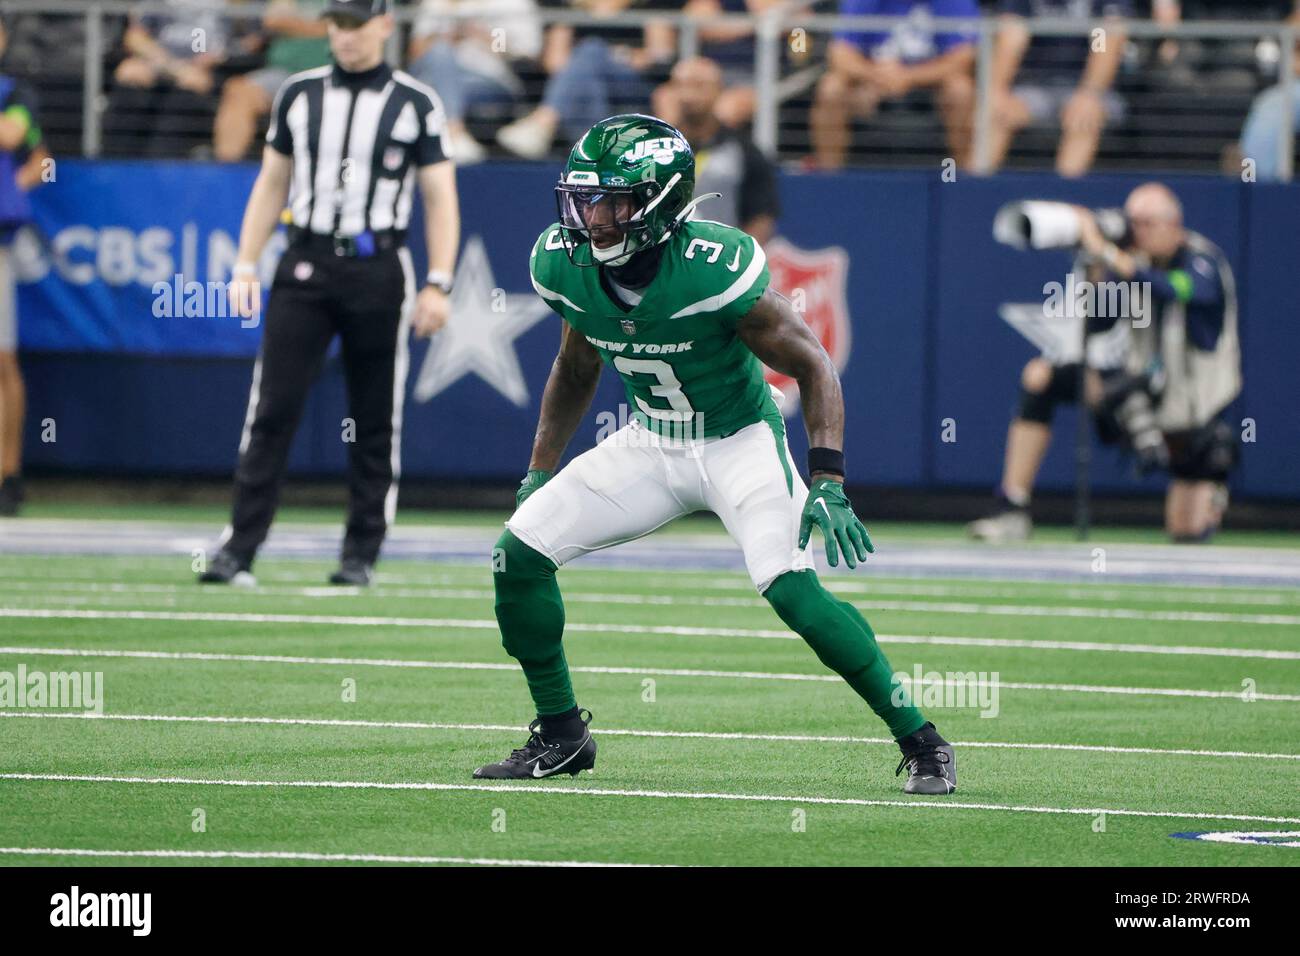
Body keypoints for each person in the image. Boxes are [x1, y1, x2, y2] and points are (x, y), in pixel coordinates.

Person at [474, 114, 956, 794]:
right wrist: (538, 470)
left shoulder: (713, 267)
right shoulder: (563, 262)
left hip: (738, 440)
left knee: (792, 589)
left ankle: (923, 740)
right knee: (515, 556)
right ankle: (561, 734)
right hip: (651, 441)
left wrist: (829, 477)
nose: (592, 217)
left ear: (661, 204)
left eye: (613, 200)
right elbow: (576, 366)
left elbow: (815, 363)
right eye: (585, 198)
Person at [200, 0, 459, 586]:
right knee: (272, 409)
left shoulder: (415, 101)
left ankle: (360, 554)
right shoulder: (298, 93)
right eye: (337, 23)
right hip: (306, 262)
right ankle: (238, 548)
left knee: (374, 418)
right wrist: (245, 262)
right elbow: (272, 181)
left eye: (357, 23)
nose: (345, 35)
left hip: (378, 267)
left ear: (385, 26)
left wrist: (440, 281)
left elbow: (440, 195)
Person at [970, 183, 1240, 543]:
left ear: (1172, 223)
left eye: (1145, 223)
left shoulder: (1203, 259)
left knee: (1187, 532)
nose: (1135, 231)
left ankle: (1212, 491)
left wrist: (1110, 254)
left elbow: (1174, 290)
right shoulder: (1131, 262)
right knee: (1040, 378)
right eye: (1132, 222)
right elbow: (1099, 323)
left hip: (1195, 414)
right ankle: (1012, 507)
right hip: (1140, 393)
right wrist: (1097, 271)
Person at [494, 0, 677, 158]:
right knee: (589, 81)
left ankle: (544, 121)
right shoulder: (573, 8)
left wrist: (615, 56)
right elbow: (555, 62)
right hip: (587, 85)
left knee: (592, 49)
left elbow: (659, 55)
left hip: (633, 85)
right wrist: (585, 65)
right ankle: (595, 155)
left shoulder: (646, 6)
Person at [810, 0, 978, 170]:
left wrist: (909, 77)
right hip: (873, 84)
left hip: (932, 86)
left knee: (960, 89)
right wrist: (874, 75)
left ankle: (964, 181)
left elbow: (963, 59)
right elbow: (840, 55)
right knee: (831, 87)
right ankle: (828, 178)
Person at [987, 0, 1131, 177]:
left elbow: (1104, 39)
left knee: (1084, 118)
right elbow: (1013, 36)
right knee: (997, 113)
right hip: (1035, 86)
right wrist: (996, 92)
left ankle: (1063, 197)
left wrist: (1089, 93)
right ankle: (975, 192)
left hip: (1090, 88)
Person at [0, 16, 47, 517]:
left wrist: (10, 191)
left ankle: (7, 474)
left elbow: (18, 141)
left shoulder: (14, 93)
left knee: (1, 360)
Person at [656, 57, 780, 243]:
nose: (689, 95)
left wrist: (740, 257)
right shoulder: (653, 149)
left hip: (719, 261)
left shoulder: (744, 151)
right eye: (680, 85)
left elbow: (761, 216)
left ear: (719, 90)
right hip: (664, 261)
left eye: (699, 86)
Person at [405, 0, 542, 164]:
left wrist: (483, 35)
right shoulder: (436, 3)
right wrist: (446, 36)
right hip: (436, 79)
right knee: (441, 52)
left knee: (445, 90)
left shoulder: (514, 4)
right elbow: (415, 54)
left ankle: (452, 133)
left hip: (487, 81)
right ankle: (454, 131)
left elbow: (526, 57)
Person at [214, 0, 331, 162]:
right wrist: (321, 26)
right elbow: (274, 20)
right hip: (283, 74)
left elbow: (350, 25)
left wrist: (298, 24)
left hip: (334, 75)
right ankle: (225, 174)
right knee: (238, 90)